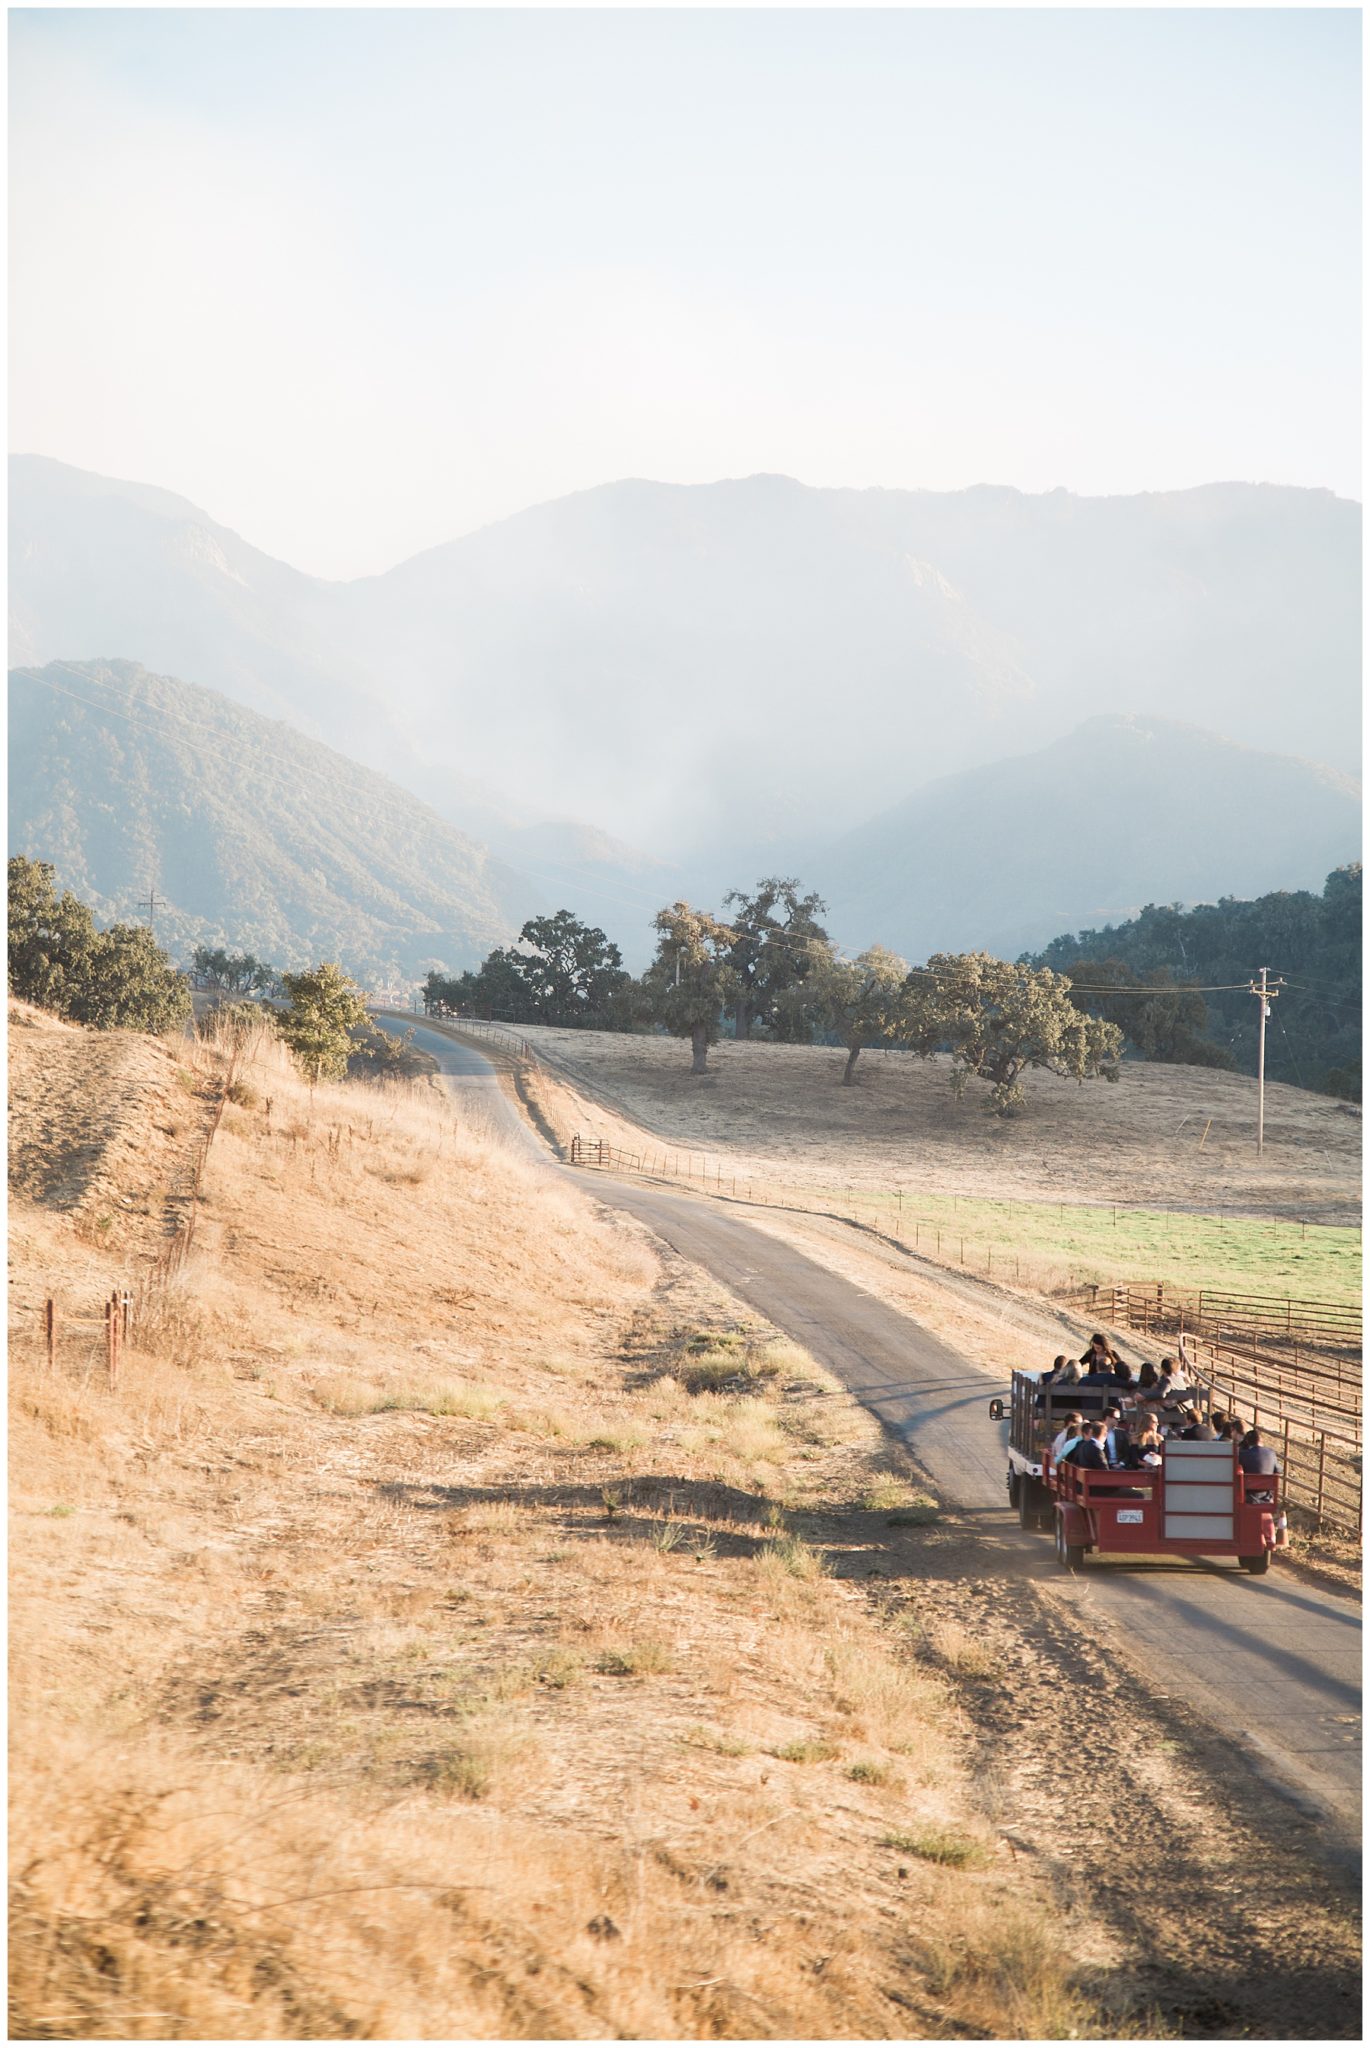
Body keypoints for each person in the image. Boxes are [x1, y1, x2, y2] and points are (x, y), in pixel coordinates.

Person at [1239, 1428, 1280, 1501]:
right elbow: (1278, 1470)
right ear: (1261, 1440)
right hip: (1266, 1496)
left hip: (1248, 1497)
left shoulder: (1243, 1455)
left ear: (1247, 1441)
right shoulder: (1271, 1453)